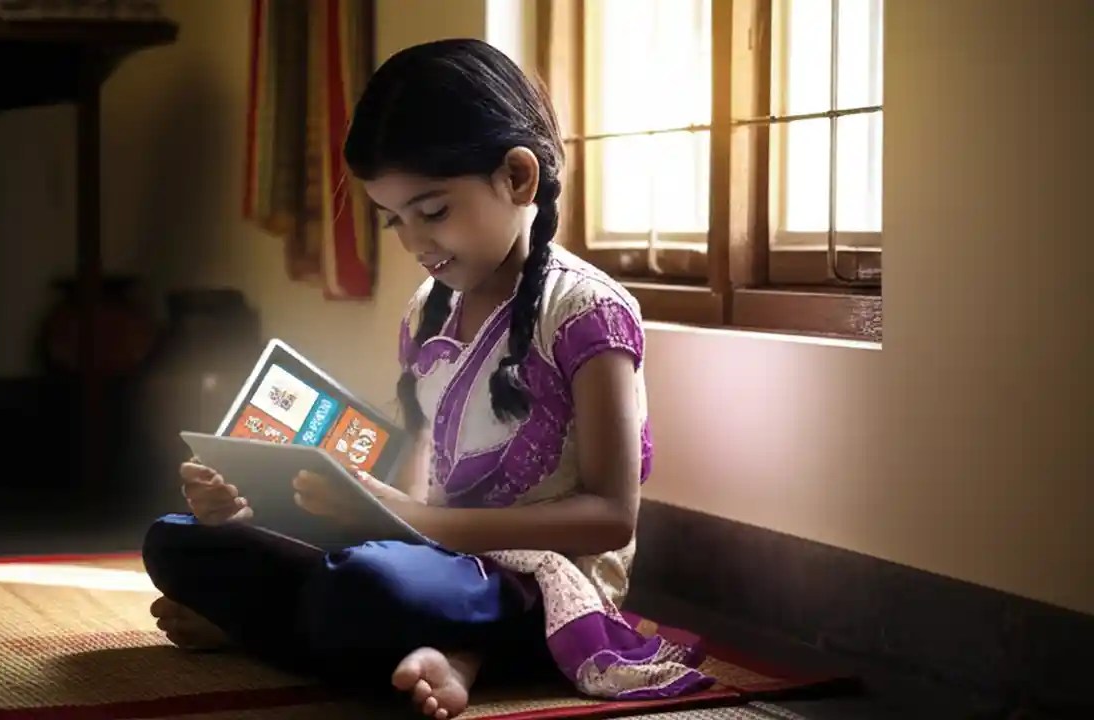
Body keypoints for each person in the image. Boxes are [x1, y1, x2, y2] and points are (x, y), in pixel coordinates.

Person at [142, 38, 713, 720]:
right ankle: (424, 647)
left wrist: (419, 524)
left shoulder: (587, 312)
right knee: (177, 539)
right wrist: (262, 509)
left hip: (539, 578)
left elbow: (611, 518)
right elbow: (411, 487)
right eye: (395, 220)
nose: (416, 243)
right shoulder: (427, 308)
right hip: (431, 560)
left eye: (433, 211)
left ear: (519, 178)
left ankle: (304, 636)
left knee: (365, 588)